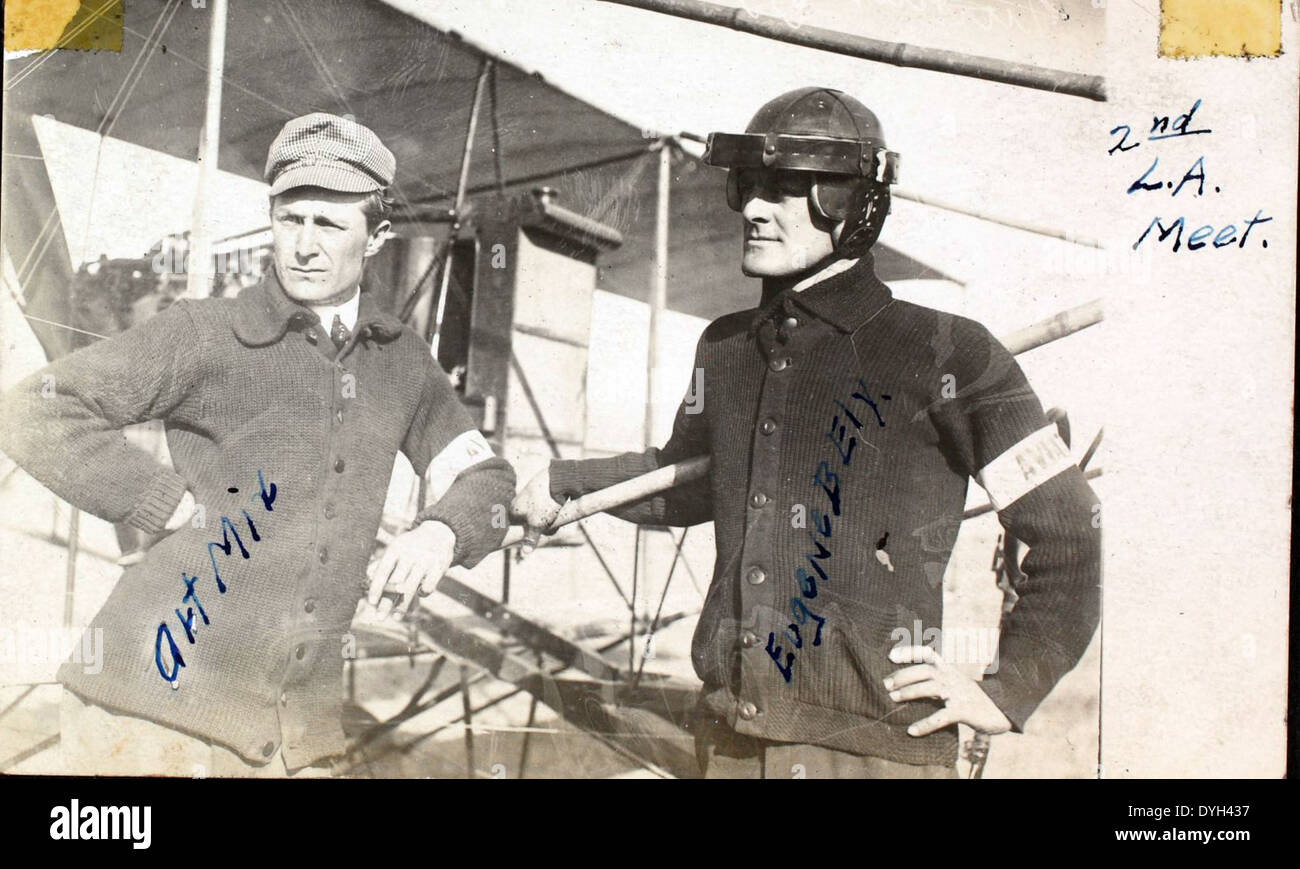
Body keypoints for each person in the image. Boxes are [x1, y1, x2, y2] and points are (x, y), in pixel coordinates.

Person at [513, 87, 1101, 779]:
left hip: (874, 757)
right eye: (750, 187)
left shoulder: (951, 351)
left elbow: (1072, 533)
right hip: (729, 742)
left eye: (785, 192)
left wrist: (1007, 691)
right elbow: (683, 477)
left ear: (852, 207)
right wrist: (558, 484)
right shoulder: (726, 349)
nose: (754, 210)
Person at [0, 113, 515, 777]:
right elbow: (34, 408)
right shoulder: (204, 333)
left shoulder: (402, 364)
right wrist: (157, 499)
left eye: (328, 224)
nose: (302, 244)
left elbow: (489, 480)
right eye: (289, 218)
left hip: (293, 739)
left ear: (379, 235)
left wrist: (440, 532)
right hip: (150, 719)